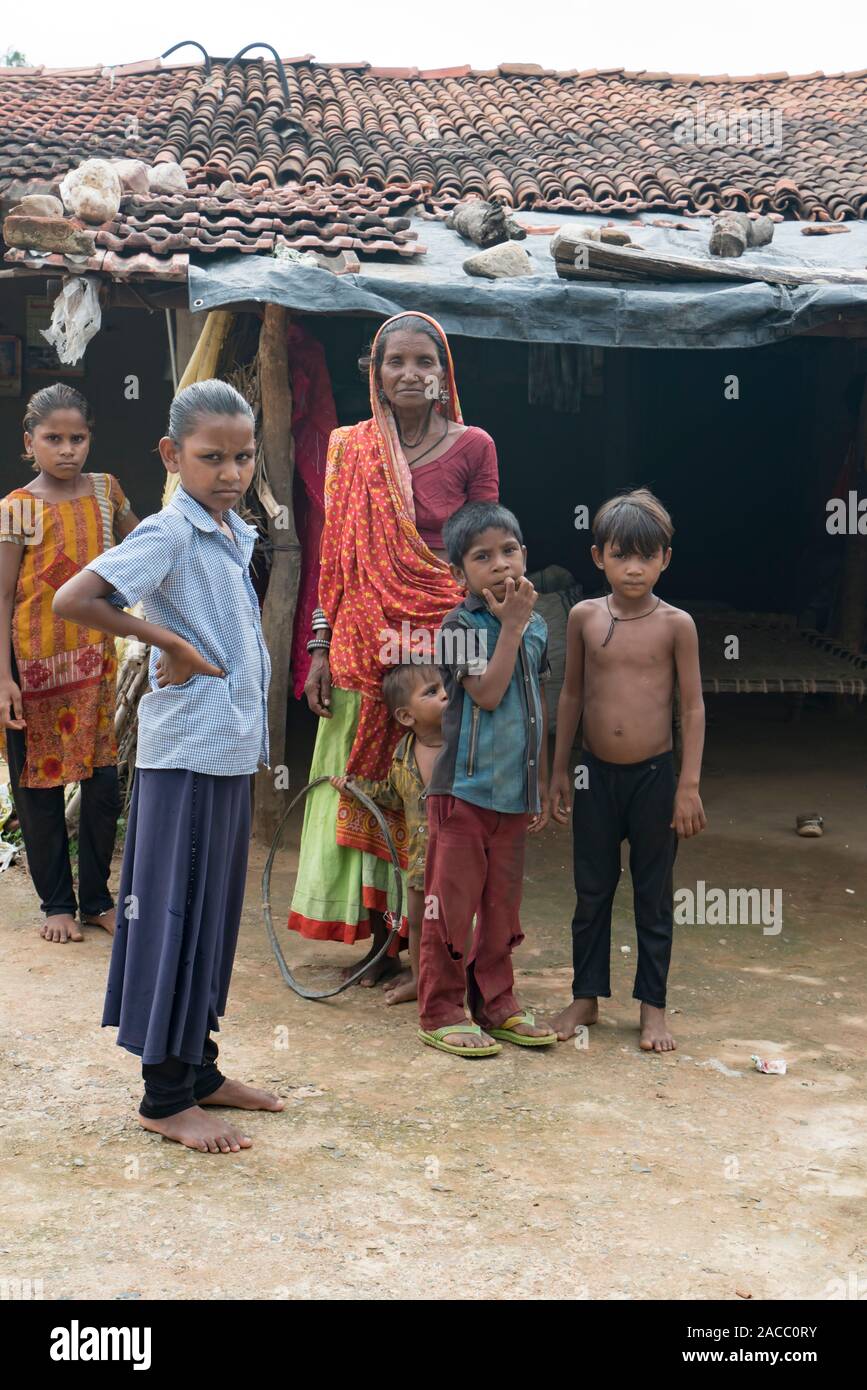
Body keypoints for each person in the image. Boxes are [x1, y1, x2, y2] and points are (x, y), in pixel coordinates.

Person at [53, 380, 283, 1155]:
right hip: (182, 758)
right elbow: (75, 598)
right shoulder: (170, 531)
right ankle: (162, 1096)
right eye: (211, 457)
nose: (229, 472)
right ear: (170, 455)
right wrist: (171, 645)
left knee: (210, 919)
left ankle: (201, 1069)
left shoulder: (229, 531)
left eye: (243, 457)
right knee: (172, 918)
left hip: (224, 756)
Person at [290, 311, 499, 983]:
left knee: (433, 798)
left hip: (439, 644)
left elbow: (485, 549)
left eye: (423, 362)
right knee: (365, 784)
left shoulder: (474, 446)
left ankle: (433, 947)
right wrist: (319, 645)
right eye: (394, 361)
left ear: (443, 375)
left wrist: (474, 640)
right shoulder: (349, 447)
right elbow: (337, 556)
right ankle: (380, 941)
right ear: (374, 373)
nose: (409, 373)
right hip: (360, 644)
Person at [546, 489, 706, 1053]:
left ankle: (653, 1008)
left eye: (646, 555)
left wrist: (688, 785)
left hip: (655, 778)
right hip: (594, 773)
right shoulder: (584, 617)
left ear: (665, 558)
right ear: (598, 558)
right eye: (621, 555)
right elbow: (570, 695)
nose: (633, 568)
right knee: (591, 890)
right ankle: (586, 996)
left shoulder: (677, 625)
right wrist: (559, 769)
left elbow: (691, 708)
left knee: (652, 893)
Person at [417, 501, 558, 1057]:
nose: (500, 565)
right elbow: (490, 692)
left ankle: (496, 1001)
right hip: (463, 794)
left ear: (525, 555)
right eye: (482, 556)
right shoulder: (455, 626)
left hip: (513, 795)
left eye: (509, 551)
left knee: (502, 905)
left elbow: (532, 705)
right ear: (458, 574)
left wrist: (541, 782)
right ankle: (441, 1008)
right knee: (450, 905)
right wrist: (512, 626)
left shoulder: (540, 625)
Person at [0, 384, 138, 944]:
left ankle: (97, 898)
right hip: (33, 671)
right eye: (53, 439)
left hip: (96, 666)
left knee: (104, 785)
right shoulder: (18, 509)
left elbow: (144, 546)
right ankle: (56, 902)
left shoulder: (107, 492)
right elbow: (4, 596)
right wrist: (3, 678)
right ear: (29, 442)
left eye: (77, 438)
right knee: (39, 790)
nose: (67, 449)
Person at [331, 662, 446, 1006]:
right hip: (420, 863)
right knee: (419, 925)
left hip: (458, 859)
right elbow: (392, 796)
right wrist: (355, 789)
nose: (445, 695)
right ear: (407, 717)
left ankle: (453, 983)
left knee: (454, 924)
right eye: (432, 692)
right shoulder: (403, 756)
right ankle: (422, 979)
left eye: (443, 688)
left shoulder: (462, 748)